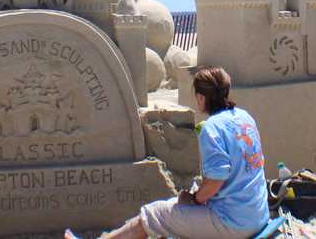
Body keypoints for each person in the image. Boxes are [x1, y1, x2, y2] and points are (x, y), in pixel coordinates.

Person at [66, 66, 269, 239]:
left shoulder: (212, 128)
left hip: (233, 223)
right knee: (172, 205)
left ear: (201, 97)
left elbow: (216, 181)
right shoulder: (245, 117)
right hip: (257, 214)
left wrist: (196, 199)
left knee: (152, 214)